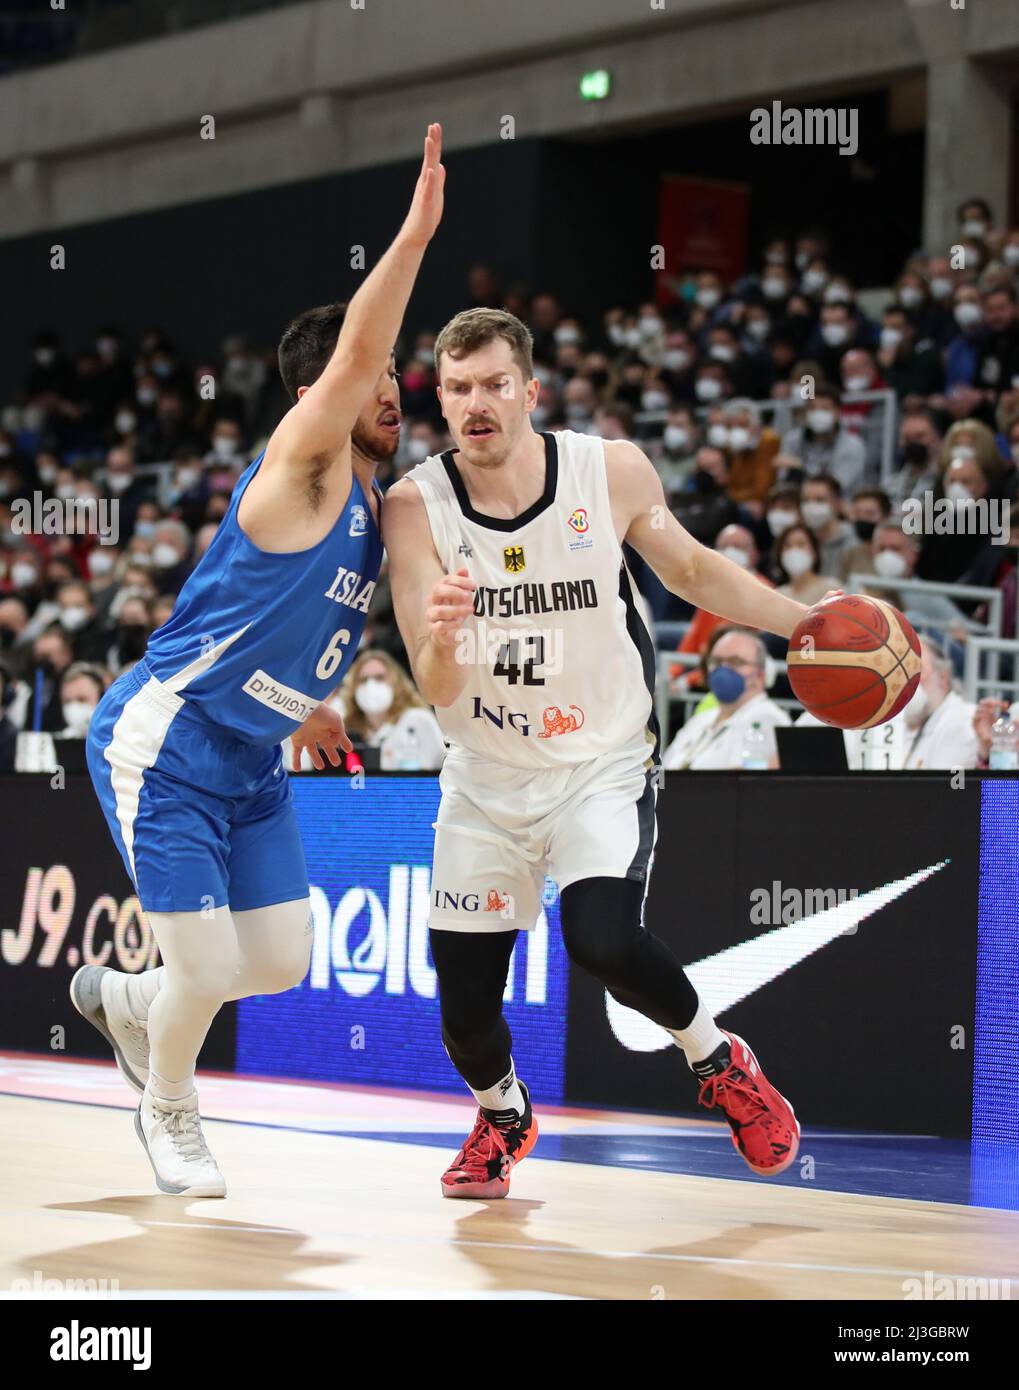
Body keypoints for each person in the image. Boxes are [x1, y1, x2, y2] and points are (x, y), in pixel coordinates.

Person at [69, 124, 446, 1199]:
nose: (392, 391)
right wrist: (414, 234)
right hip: (168, 739)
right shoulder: (304, 467)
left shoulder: (375, 508)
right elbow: (356, 357)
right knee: (205, 965)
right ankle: (167, 1108)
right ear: (325, 388)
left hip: (253, 753)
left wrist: (314, 708)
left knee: (274, 959)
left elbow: (290, 624)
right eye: (372, 374)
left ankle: (130, 1005)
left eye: (391, 379)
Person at [384, 305, 832, 1200]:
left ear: (530, 391)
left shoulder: (607, 468)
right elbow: (434, 686)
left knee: (601, 939)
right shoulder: (413, 506)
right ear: (440, 396)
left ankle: (720, 1061)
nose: (476, 403)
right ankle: (503, 1117)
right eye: (459, 387)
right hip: (484, 776)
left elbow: (693, 572)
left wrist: (802, 625)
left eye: (495, 384)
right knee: (465, 1018)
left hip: (601, 760)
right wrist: (440, 634)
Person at [662, 626, 791, 770]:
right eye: (716, 661)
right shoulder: (700, 720)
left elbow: (744, 781)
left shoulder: (767, 719)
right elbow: (662, 772)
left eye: (736, 662)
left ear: (760, 674)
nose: (723, 669)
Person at [901, 640, 979, 770]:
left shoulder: (964, 719)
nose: (908, 681)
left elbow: (946, 787)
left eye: (916, 670)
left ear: (943, 676)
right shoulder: (908, 723)